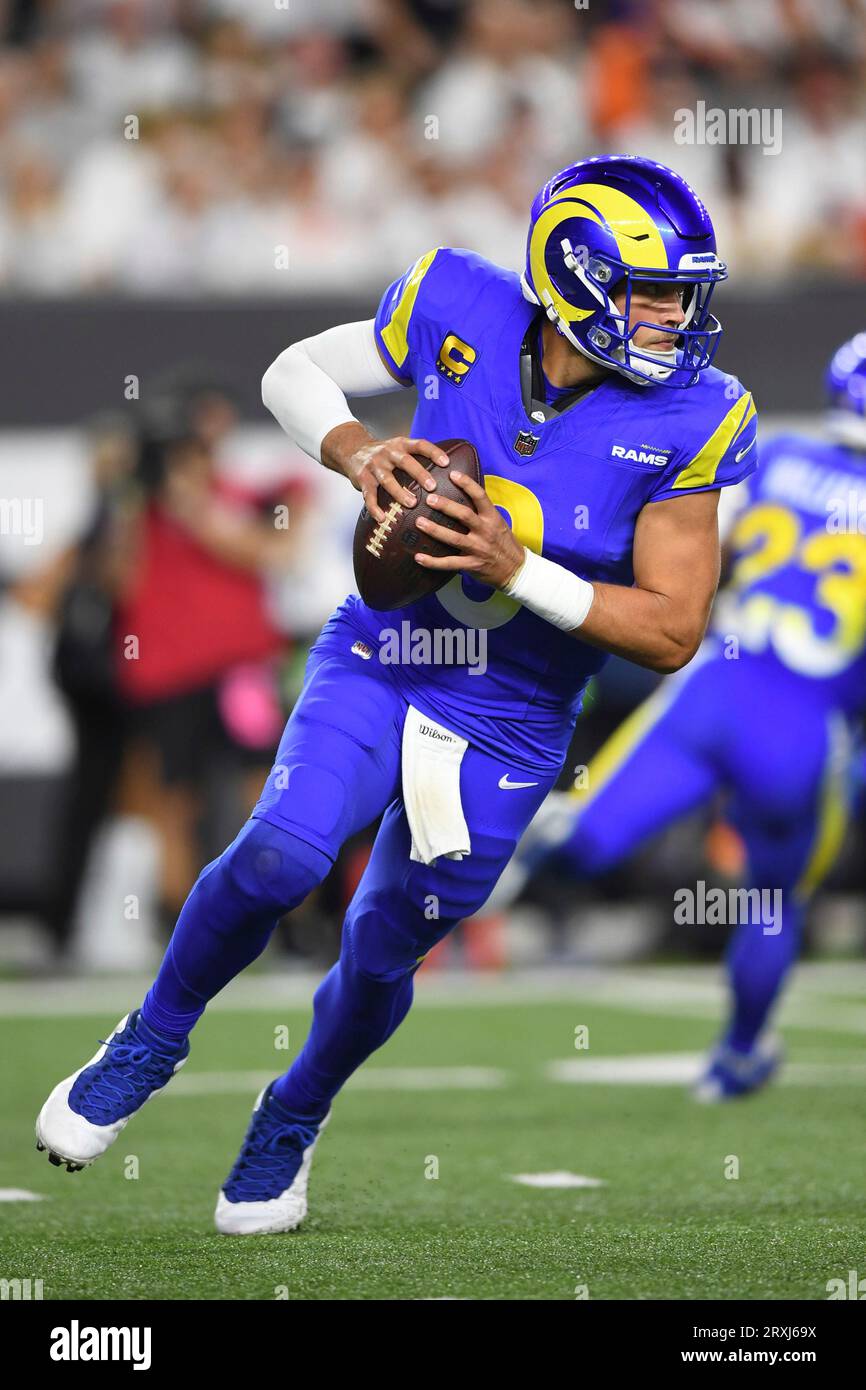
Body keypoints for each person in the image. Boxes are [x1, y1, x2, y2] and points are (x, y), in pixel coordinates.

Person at [36, 155, 757, 1234]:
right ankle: (151, 1034)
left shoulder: (693, 415)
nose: (671, 320)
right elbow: (292, 373)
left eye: (681, 297)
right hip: (387, 651)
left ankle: (293, 1111)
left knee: (380, 951)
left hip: (512, 716)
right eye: (649, 294)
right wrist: (358, 450)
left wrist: (521, 569)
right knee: (283, 847)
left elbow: (668, 628)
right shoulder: (458, 298)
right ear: (573, 278)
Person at [487, 333, 866, 1101]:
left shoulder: (786, 457)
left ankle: (479, 865)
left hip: (717, 686)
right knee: (773, 897)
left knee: (582, 840)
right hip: (805, 725)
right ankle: (736, 1057)